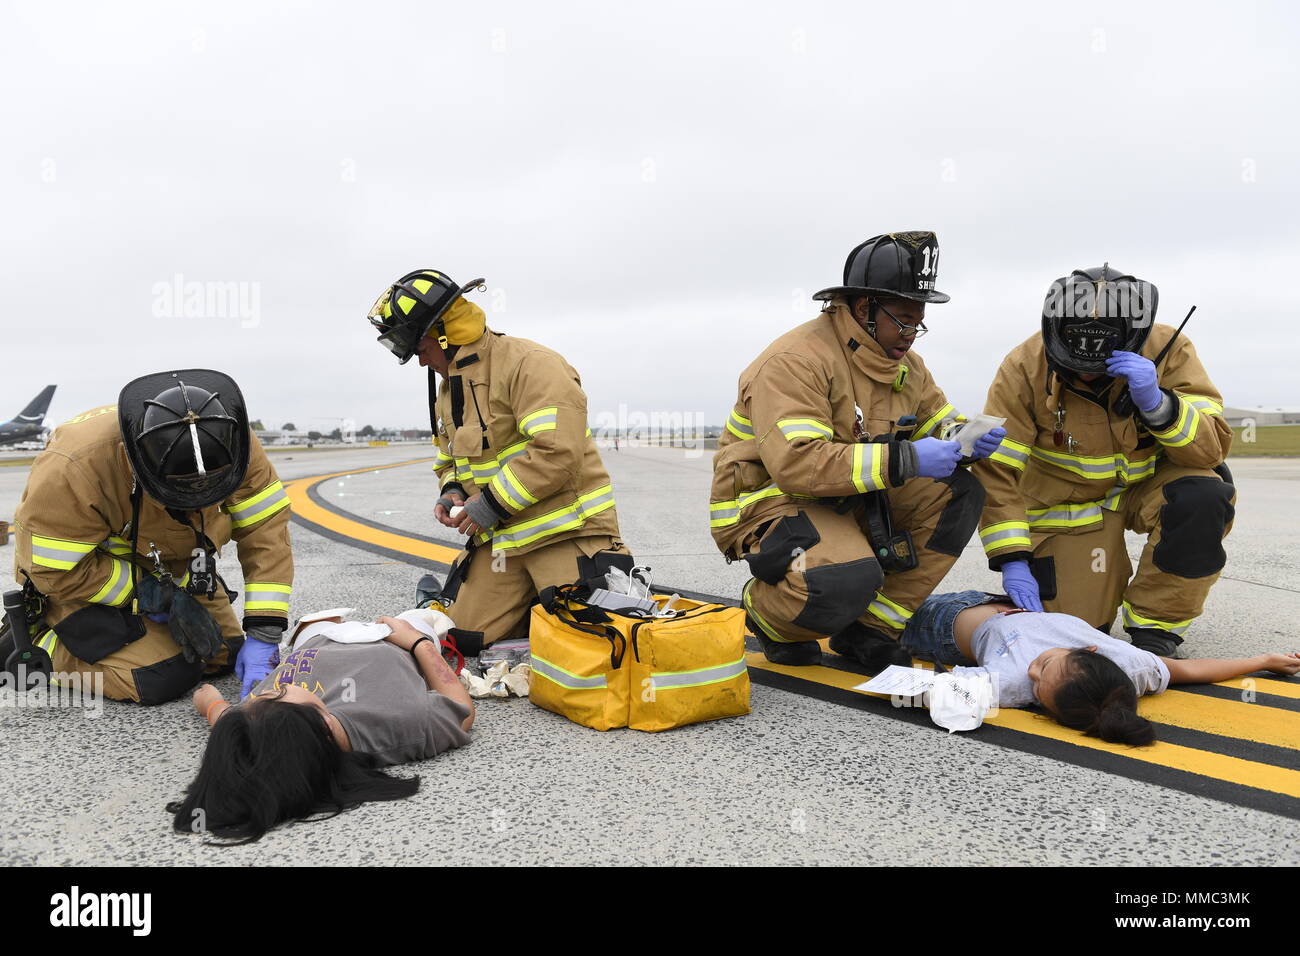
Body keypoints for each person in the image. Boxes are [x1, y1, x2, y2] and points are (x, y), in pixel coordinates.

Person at [710, 231, 1006, 673]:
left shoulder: (906, 365)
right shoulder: (797, 360)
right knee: (844, 576)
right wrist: (907, 460)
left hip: (848, 495)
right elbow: (799, 464)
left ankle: (871, 629)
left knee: (959, 493)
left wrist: (965, 435)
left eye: (918, 323)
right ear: (865, 308)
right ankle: (768, 614)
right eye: (903, 321)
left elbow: (935, 419)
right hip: (775, 501)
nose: (911, 335)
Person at [971, 265, 1234, 657]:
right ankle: (1089, 601)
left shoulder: (1171, 349)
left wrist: (1160, 406)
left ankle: (1155, 628)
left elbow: (1210, 451)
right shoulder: (1024, 366)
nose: (1086, 376)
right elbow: (997, 472)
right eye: (1074, 365)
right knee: (1076, 637)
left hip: (1148, 491)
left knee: (1202, 494)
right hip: (1070, 510)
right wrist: (1011, 559)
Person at [366, 268, 630, 653]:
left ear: (444, 334)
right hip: (502, 543)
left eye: (421, 351)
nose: (421, 363)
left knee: (588, 642)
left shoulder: (530, 364)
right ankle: (517, 604)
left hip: (567, 535)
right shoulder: (447, 389)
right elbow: (448, 459)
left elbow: (556, 452)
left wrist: (490, 503)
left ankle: (551, 600)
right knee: (464, 640)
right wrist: (451, 490)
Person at [8, 370, 294, 703]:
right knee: (161, 675)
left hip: (173, 572)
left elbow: (266, 533)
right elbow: (54, 571)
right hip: (84, 587)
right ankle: (37, 647)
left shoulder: (229, 440)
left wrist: (264, 633)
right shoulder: (75, 467)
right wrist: (148, 594)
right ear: (137, 466)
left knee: (222, 656)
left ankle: (146, 635)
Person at [171, 613, 474, 844]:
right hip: (390, 638)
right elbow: (461, 713)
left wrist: (209, 702)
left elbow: (230, 722)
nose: (261, 694)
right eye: (275, 693)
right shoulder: (404, 721)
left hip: (316, 638)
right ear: (325, 723)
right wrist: (417, 642)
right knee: (429, 620)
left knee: (310, 624)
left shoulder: (259, 727)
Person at [901, 591, 1300, 744]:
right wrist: (1263, 660)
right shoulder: (1131, 666)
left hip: (944, 623)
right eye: (1048, 665)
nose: (1034, 673)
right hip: (1004, 598)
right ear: (1092, 650)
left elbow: (921, 687)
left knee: (886, 604)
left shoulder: (1011, 685)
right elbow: (1190, 670)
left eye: (1039, 690)